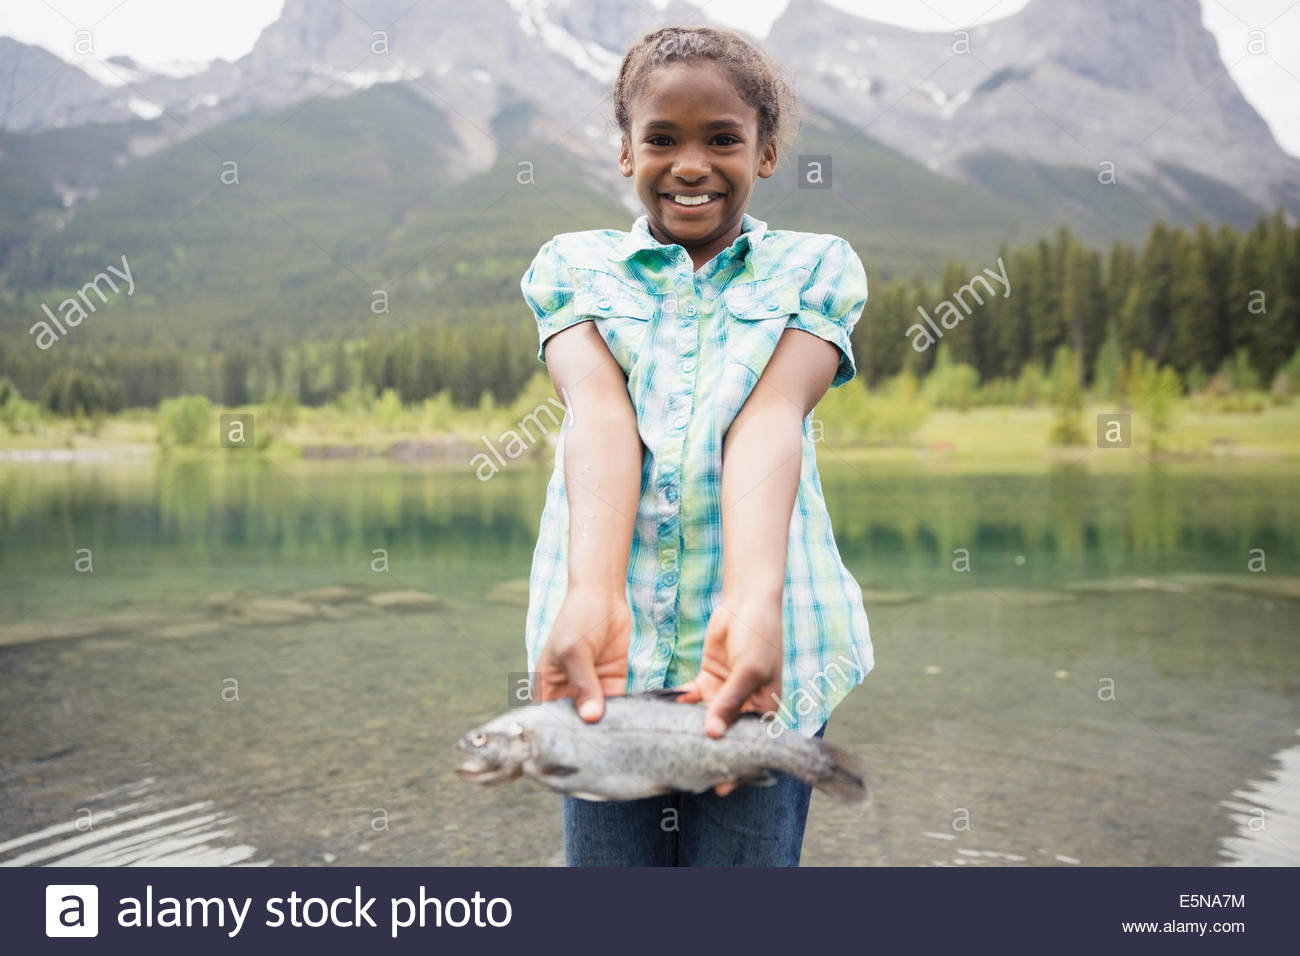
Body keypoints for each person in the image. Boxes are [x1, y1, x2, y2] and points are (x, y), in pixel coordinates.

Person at [518, 25, 873, 866]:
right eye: (661, 139)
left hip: (772, 650)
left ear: (769, 151)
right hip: (608, 662)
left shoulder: (816, 269)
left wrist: (752, 605)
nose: (689, 164)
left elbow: (769, 419)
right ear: (624, 153)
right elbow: (599, 418)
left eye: (723, 139)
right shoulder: (572, 267)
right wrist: (594, 594)